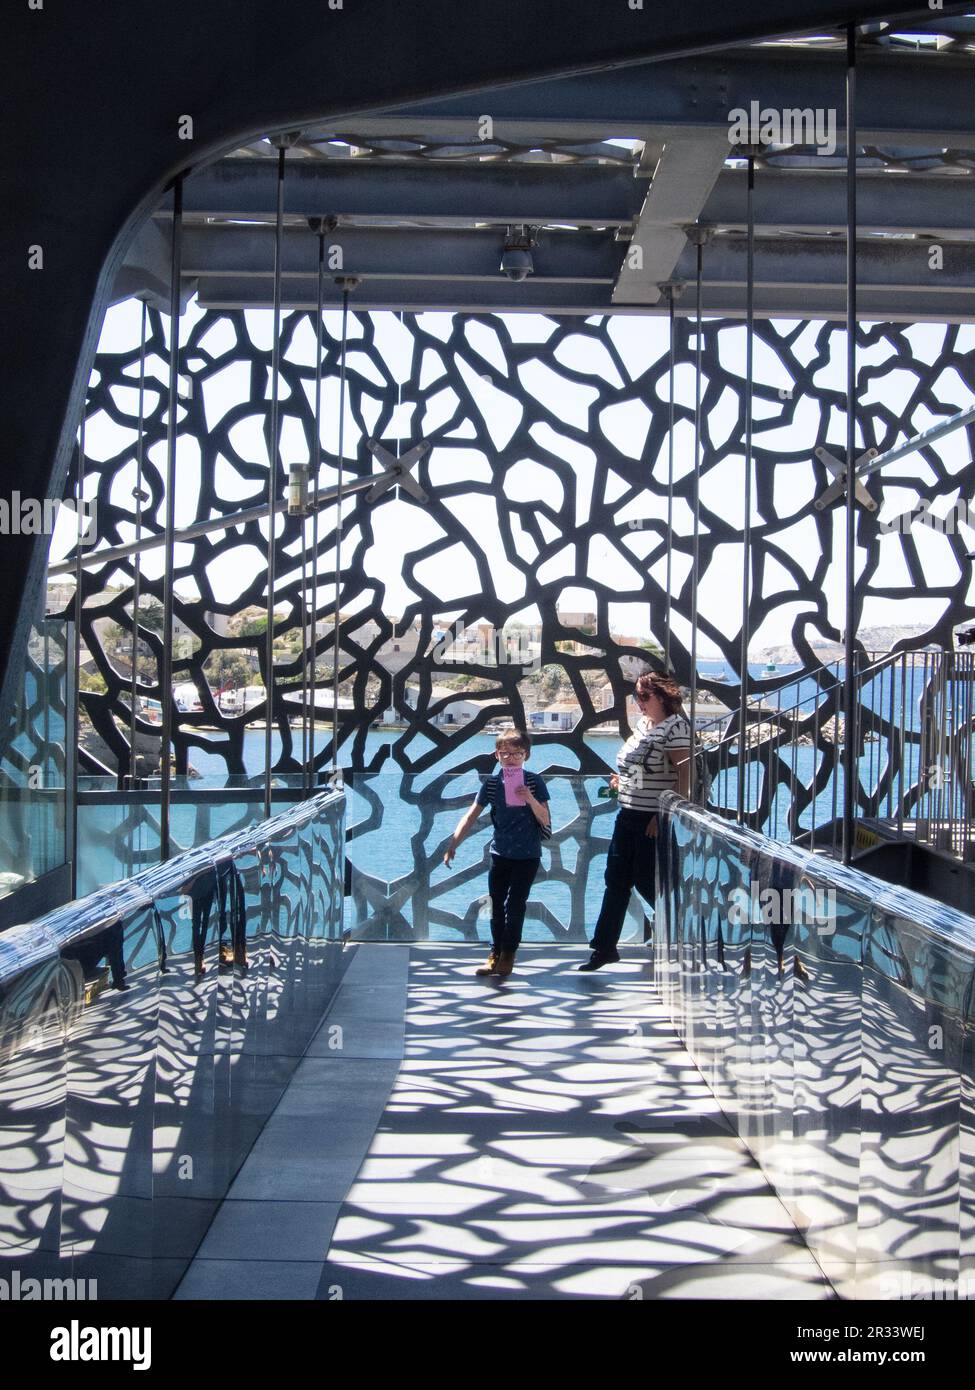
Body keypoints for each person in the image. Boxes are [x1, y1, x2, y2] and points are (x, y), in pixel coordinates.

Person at [580, 671, 692, 972]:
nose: (639, 702)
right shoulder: (644, 725)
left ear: (662, 696)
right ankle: (603, 948)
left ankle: (684, 933)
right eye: (636, 696)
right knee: (615, 880)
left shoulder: (675, 727)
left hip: (650, 819)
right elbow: (643, 766)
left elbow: (684, 775)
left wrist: (665, 814)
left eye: (644, 696)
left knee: (646, 881)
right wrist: (624, 780)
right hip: (627, 812)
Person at [443, 728, 551, 978]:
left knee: (516, 905)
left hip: (527, 855)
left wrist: (529, 798)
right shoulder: (491, 784)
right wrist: (453, 844)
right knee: (496, 905)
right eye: (505, 753)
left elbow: (545, 819)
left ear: (527, 755)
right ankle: (495, 952)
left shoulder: (534, 781)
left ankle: (509, 953)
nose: (511, 758)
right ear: (497, 755)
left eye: (517, 754)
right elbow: (472, 814)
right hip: (500, 853)